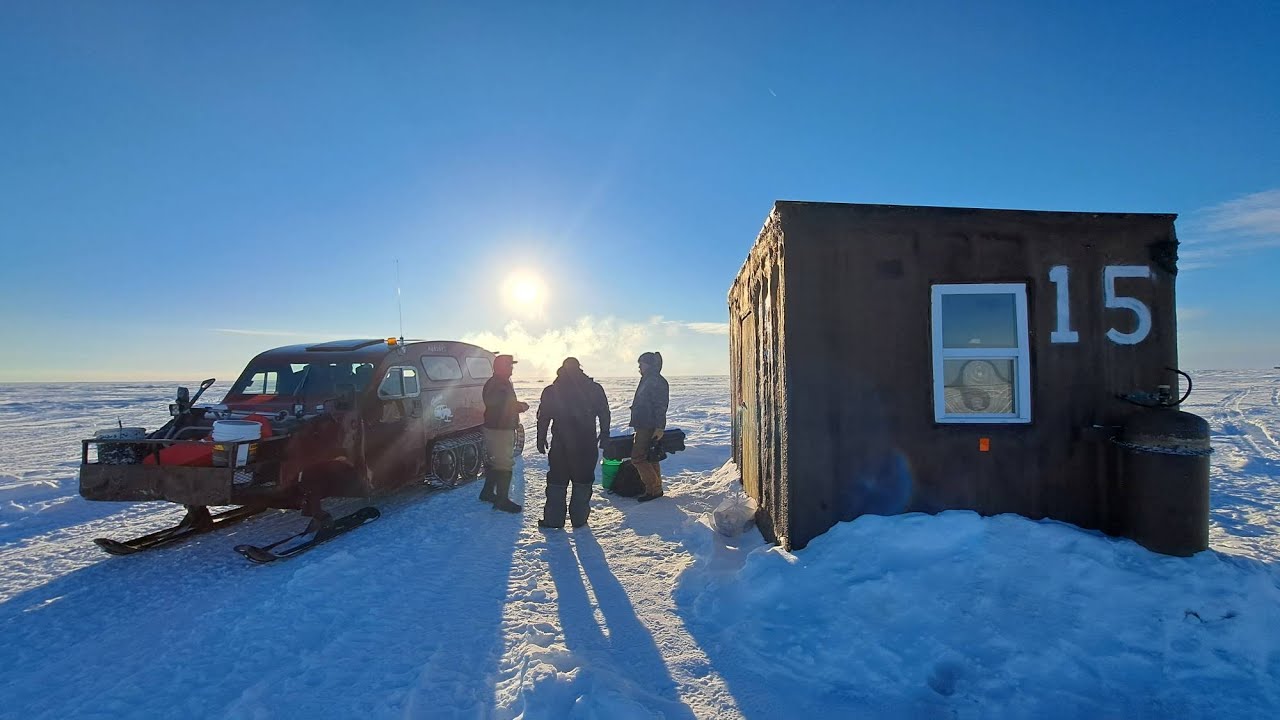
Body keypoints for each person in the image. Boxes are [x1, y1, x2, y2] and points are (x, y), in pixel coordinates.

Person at [536, 357, 611, 529]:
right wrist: (605, 433)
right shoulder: (594, 389)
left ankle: (554, 521)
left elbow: (543, 417)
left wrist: (541, 438)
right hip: (586, 444)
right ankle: (579, 520)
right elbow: (604, 413)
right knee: (582, 481)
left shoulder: (552, 390)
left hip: (561, 445)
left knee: (557, 481)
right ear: (580, 369)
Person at [480, 354, 528, 513]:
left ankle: (487, 493)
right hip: (499, 429)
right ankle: (502, 500)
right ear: (501, 367)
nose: (512, 368)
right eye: (509, 365)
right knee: (504, 463)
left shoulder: (500, 382)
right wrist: (518, 406)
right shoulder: (498, 384)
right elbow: (497, 403)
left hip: (497, 427)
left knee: (497, 461)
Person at [629, 351, 669, 502]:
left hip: (648, 425)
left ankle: (653, 489)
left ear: (649, 365)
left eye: (641, 364)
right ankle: (655, 489)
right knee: (651, 457)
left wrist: (659, 427)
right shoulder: (648, 379)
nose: (639, 368)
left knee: (638, 458)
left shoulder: (655, 381)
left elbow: (660, 406)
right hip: (644, 424)